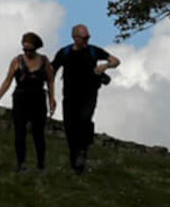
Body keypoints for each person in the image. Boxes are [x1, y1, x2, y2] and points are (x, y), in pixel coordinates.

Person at [50, 24, 119, 173]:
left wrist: (105, 66)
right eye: (84, 37)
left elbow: (116, 61)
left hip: (89, 94)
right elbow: (51, 72)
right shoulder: (65, 52)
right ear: (75, 37)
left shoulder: (94, 51)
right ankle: (74, 161)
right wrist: (51, 96)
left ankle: (82, 153)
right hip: (69, 95)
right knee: (70, 127)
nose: (87, 40)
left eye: (88, 37)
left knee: (84, 120)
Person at [0, 32, 56, 172]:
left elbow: (50, 80)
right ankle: (21, 164)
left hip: (38, 98)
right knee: (19, 132)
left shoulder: (44, 61)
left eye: (30, 50)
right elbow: (7, 81)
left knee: (38, 133)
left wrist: (51, 99)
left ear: (36, 48)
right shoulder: (17, 61)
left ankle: (41, 165)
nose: (28, 52)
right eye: (25, 49)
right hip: (21, 98)